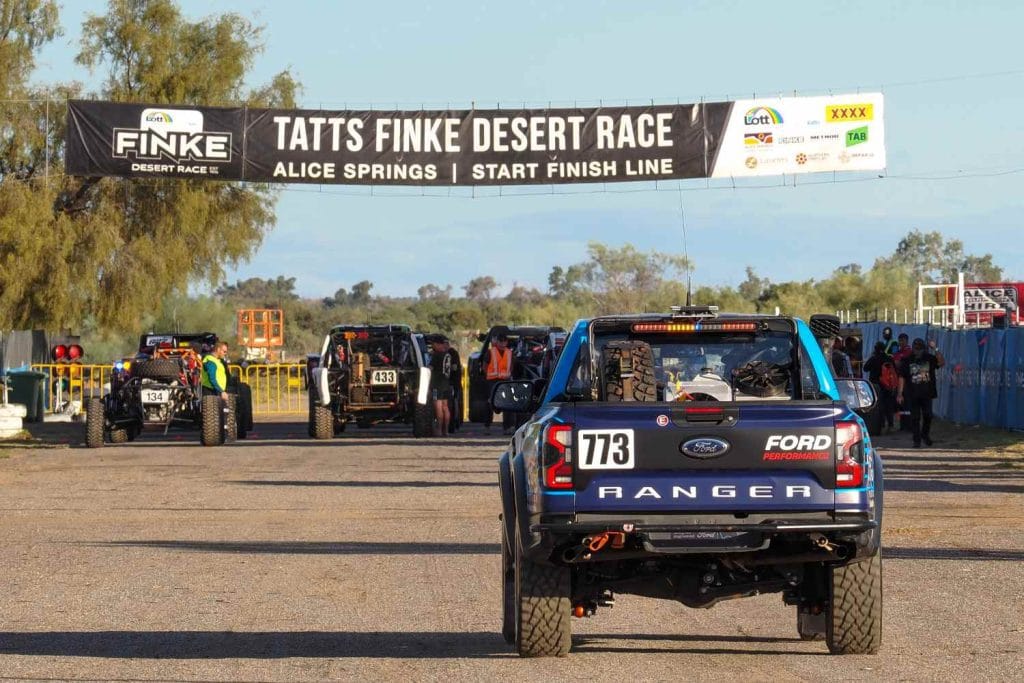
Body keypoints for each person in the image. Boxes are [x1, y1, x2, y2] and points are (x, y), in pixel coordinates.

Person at [896, 338, 945, 448]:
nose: (917, 351)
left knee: (928, 416)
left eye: (920, 349)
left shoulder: (929, 358)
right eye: (915, 349)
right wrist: (900, 394)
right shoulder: (907, 360)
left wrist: (935, 348)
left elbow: (941, 363)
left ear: (924, 349)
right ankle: (916, 440)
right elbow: (902, 377)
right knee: (915, 418)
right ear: (913, 349)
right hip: (912, 394)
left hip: (927, 393)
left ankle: (924, 435)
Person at [863, 341, 897, 433]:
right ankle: (890, 425)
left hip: (875, 386)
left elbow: (865, 368)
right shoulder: (889, 358)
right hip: (888, 386)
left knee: (877, 406)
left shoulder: (874, 358)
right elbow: (895, 370)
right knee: (888, 405)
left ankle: (879, 426)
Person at [485, 333, 514, 434]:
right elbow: (485, 365)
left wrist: (509, 375)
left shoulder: (509, 353)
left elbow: (511, 366)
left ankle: (507, 427)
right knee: (490, 403)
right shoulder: (490, 352)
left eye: (504, 341)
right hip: (492, 381)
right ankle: (487, 426)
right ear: (496, 342)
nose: (502, 344)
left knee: (507, 404)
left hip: (505, 381)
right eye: (500, 341)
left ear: (506, 342)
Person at [428, 335, 454, 437]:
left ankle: (439, 429)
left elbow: (430, 368)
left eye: (433, 344)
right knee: (445, 407)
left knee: (438, 407)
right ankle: (446, 430)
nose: (432, 346)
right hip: (446, 383)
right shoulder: (448, 355)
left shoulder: (436, 355)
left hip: (437, 383)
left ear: (438, 344)